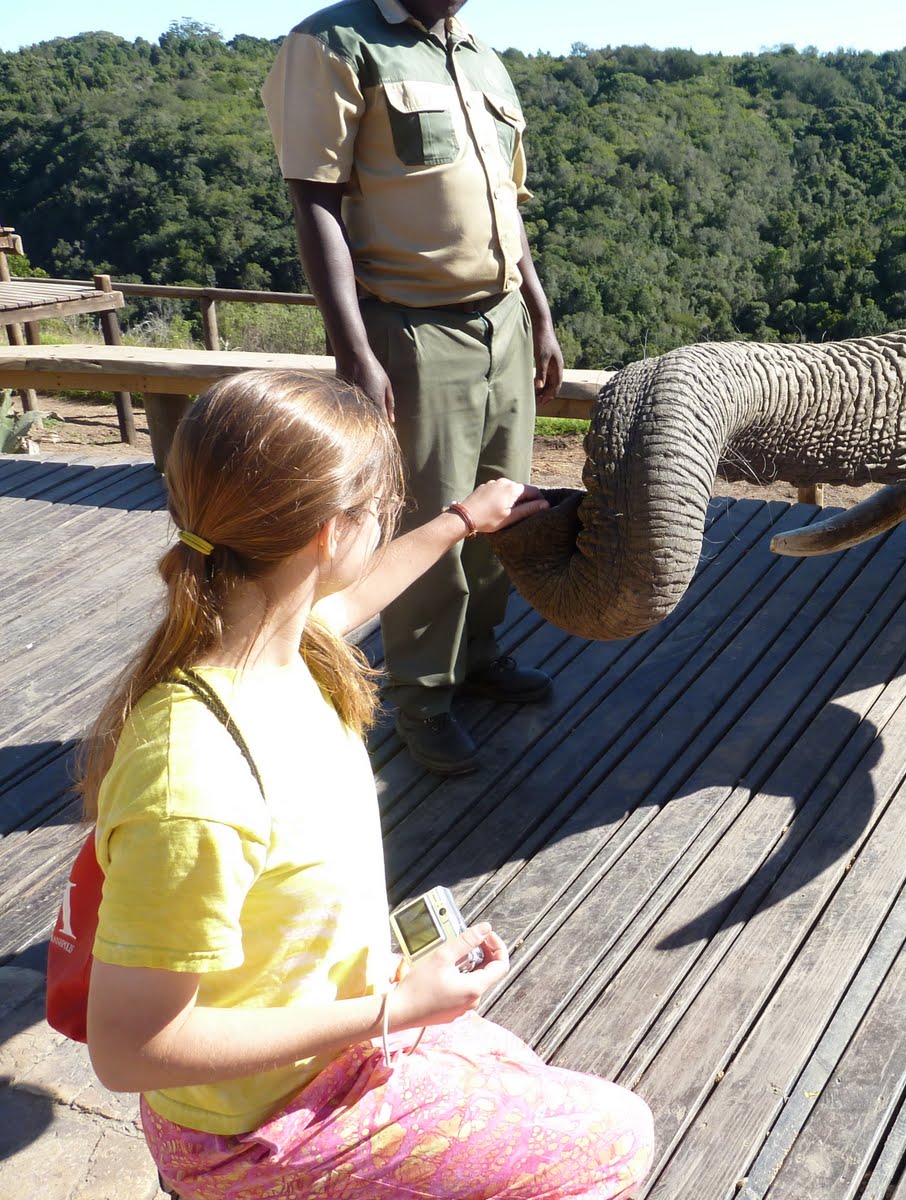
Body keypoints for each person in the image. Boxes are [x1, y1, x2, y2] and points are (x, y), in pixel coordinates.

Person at [80, 370, 653, 1199]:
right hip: (251, 1135)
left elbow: (360, 593)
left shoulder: (275, 642)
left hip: (318, 1042)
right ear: (326, 534)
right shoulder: (195, 779)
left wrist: (462, 523)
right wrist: (392, 1010)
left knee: (511, 1065)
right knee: (616, 1138)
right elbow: (128, 1050)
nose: (390, 519)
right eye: (382, 504)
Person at [262, 0, 564, 775]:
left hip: (502, 319)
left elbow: (508, 203)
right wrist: (353, 346)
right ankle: (422, 695)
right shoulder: (334, 42)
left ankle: (480, 656)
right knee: (432, 516)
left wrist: (537, 308)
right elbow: (314, 198)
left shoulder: (476, 54)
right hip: (411, 326)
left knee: (506, 505)